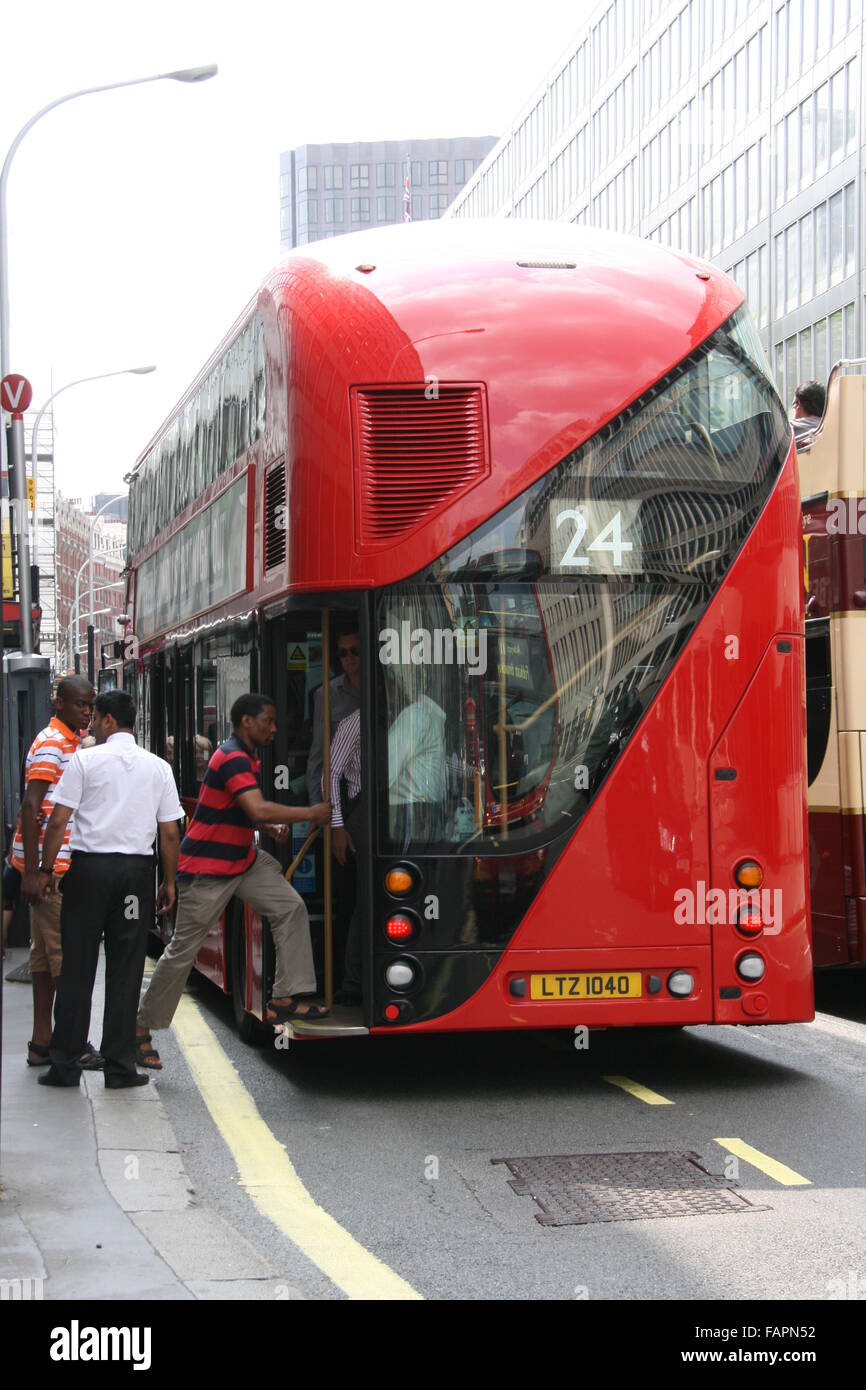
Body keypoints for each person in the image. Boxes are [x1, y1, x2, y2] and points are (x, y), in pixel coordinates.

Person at [135, 693, 331, 1067]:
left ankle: (286, 998)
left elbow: (241, 810)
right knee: (181, 953)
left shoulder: (246, 756)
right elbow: (255, 805)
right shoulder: (232, 756)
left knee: (290, 908)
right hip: (208, 870)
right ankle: (140, 1029)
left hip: (242, 861)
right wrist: (310, 811)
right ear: (246, 722)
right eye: (268, 721)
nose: (274, 728)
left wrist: (266, 826)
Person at [36, 688, 183, 1090]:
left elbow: (58, 820)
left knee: (78, 967)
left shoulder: (85, 760)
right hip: (135, 877)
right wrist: (169, 883)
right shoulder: (158, 768)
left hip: (89, 873)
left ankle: (65, 1065)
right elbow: (169, 833)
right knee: (126, 967)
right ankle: (120, 1067)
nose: (90, 724)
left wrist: (47, 869)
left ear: (107, 721)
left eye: (94, 717)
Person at [10, 676, 103, 1070]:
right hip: (54, 870)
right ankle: (73, 1044)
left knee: (45, 959)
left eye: (90, 705)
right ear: (59, 703)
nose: (86, 711)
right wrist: (34, 873)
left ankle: (41, 1042)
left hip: (50, 867)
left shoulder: (70, 742)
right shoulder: (52, 743)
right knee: (67, 959)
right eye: (80, 704)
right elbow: (32, 807)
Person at [328, 708, 364, 1005]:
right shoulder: (354, 722)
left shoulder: (400, 715)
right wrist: (337, 826)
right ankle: (352, 982)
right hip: (361, 812)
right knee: (363, 900)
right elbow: (332, 772)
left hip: (388, 809)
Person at [306, 628, 361, 803]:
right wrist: (316, 806)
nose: (349, 657)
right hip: (347, 795)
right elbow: (319, 753)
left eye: (355, 651)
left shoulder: (386, 688)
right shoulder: (326, 694)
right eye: (343, 653)